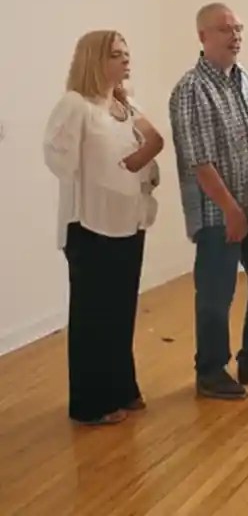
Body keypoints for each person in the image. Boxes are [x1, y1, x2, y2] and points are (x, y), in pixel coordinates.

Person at [170, 3, 248, 400]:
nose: (235, 35)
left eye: (238, 28)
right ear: (202, 36)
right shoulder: (191, 90)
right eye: (225, 29)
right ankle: (210, 370)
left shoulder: (246, 82)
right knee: (216, 291)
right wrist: (230, 209)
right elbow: (199, 161)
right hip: (218, 213)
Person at [43, 30, 164, 425]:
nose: (125, 60)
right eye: (116, 54)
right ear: (94, 60)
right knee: (92, 316)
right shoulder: (76, 105)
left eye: (127, 53)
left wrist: (135, 162)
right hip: (90, 225)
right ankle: (90, 403)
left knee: (121, 311)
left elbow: (155, 140)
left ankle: (121, 388)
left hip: (127, 222)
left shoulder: (124, 106)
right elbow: (61, 159)